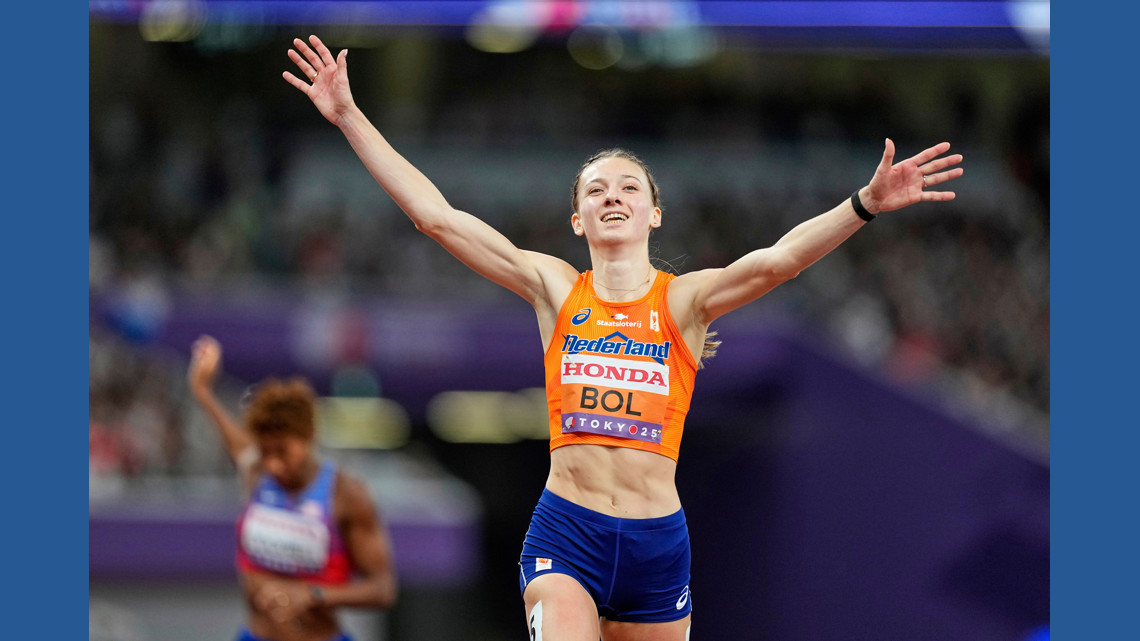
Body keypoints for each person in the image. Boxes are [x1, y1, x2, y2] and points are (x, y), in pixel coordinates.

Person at [282, 34, 963, 641]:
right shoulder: (555, 288)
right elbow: (439, 218)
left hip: (656, 545)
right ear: (576, 218)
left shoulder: (686, 301)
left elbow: (778, 261)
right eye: (595, 189)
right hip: (566, 532)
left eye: (628, 187)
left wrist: (864, 204)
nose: (612, 195)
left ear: (653, 211)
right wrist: (348, 115)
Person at [187, 335, 398, 641]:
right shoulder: (256, 470)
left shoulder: (346, 495)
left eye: (283, 452)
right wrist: (202, 389)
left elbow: (382, 589)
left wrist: (312, 595)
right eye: (265, 451)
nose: (273, 464)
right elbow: (232, 434)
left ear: (308, 436)